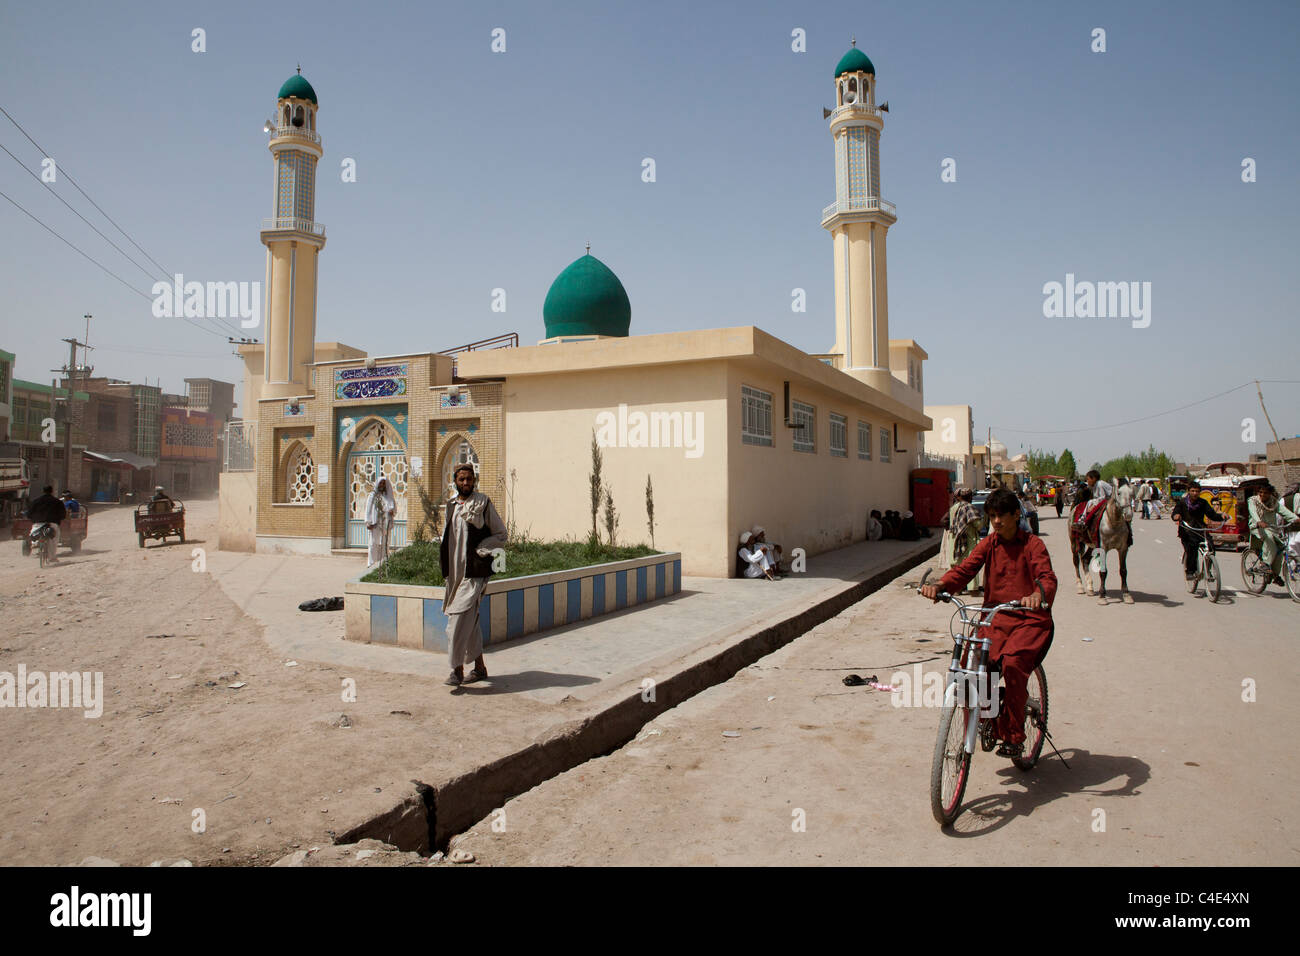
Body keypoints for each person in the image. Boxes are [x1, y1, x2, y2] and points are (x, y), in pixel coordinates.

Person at [919, 488, 1057, 758]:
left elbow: (1047, 578)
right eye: (992, 516)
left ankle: (1015, 736)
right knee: (974, 670)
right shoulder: (989, 544)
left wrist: (1037, 596)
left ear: (1016, 514)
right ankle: (993, 721)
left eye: (1001, 515)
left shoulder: (1033, 545)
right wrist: (940, 586)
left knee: (1013, 665)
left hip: (1030, 620)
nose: (996, 521)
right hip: (995, 620)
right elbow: (965, 569)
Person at [440, 464, 508, 686]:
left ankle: (456, 670)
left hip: (474, 573)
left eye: (469, 479)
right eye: (462, 479)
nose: (466, 483)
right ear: (455, 481)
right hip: (455, 575)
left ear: (474, 480)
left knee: (458, 619)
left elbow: (501, 533)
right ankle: (480, 668)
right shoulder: (451, 505)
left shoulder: (483, 503)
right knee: (471, 620)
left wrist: (484, 548)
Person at [1171, 479, 1226, 592]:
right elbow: (1175, 513)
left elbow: (1212, 515)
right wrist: (1176, 516)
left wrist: (1222, 517)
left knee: (1211, 546)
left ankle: (1208, 568)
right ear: (1188, 491)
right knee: (1192, 548)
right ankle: (1190, 571)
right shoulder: (1182, 503)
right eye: (1192, 491)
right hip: (1186, 530)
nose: (1195, 493)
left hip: (1200, 529)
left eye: (1197, 491)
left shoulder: (1203, 503)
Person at [1247, 483, 1300, 586]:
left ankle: (1275, 574)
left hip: (1271, 528)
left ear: (1270, 493)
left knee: (1280, 548)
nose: (1262, 495)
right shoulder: (1253, 500)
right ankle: (1266, 564)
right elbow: (1253, 512)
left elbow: (1284, 512)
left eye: (1265, 493)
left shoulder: (1273, 502)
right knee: (1269, 538)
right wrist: (1258, 521)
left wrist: (1295, 519)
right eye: (1260, 492)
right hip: (1257, 527)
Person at [25, 485, 66, 561]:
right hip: (52, 523)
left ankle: (34, 543)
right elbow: (63, 515)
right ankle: (52, 557)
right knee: (54, 539)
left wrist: (33, 518)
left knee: (33, 534)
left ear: (43, 491)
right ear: (52, 491)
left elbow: (29, 513)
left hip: (38, 523)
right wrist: (59, 518)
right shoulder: (57, 501)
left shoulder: (35, 501)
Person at [364, 477, 397, 569]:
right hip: (375, 523)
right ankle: (371, 564)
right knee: (373, 543)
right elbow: (368, 509)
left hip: (386, 524)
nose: (382, 485)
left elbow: (394, 509)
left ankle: (383, 563)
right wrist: (368, 522)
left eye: (383, 483)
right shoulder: (373, 496)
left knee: (385, 543)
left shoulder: (389, 497)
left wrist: (392, 512)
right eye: (381, 483)